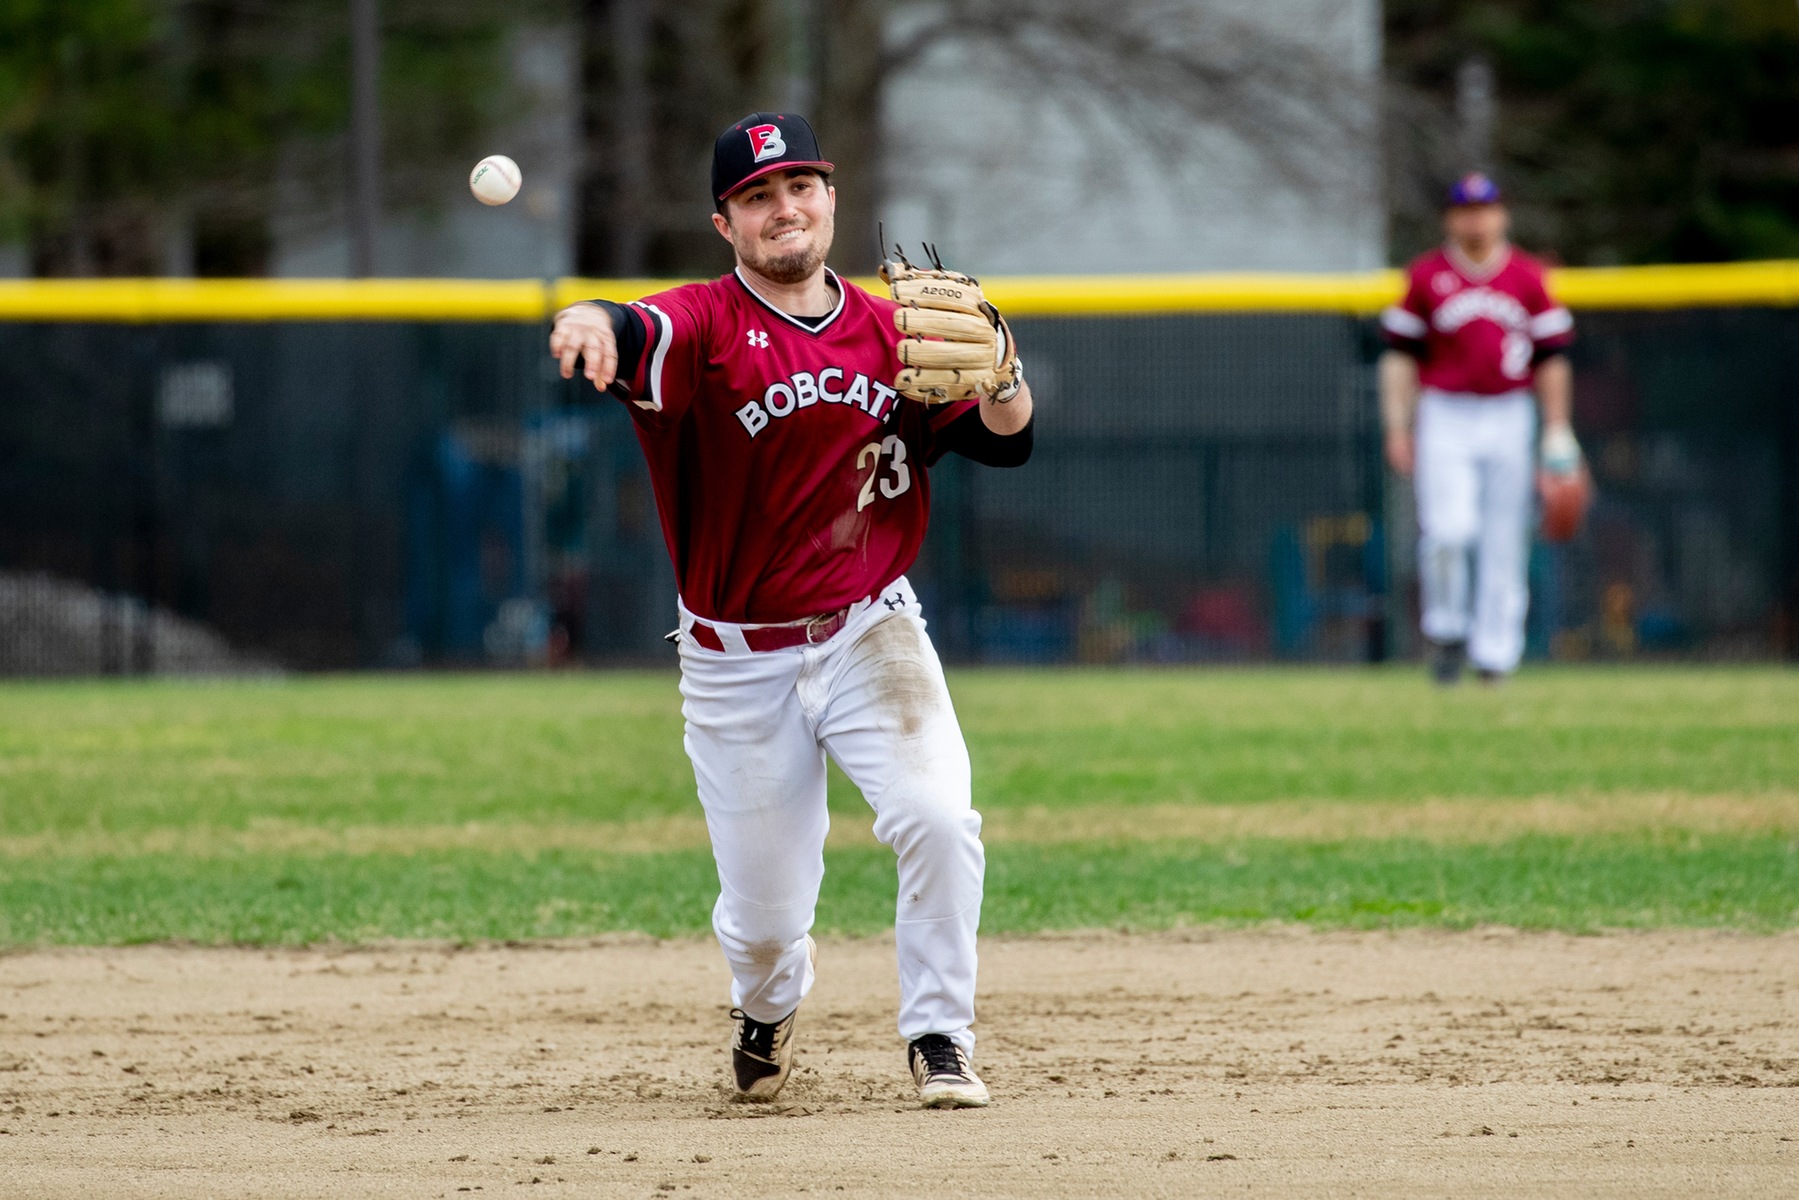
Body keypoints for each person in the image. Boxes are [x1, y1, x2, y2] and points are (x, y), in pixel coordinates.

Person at [547, 112, 1034, 1108]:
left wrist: (1005, 370)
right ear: (724, 223)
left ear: (830, 198)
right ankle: (766, 1007)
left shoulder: (893, 328)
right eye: (757, 196)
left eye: (799, 186)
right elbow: (636, 326)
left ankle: (940, 1035)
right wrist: (592, 319)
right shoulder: (704, 324)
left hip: (870, 628)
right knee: (766, 922)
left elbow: (1006, 441)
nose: (783, 208)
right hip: (735, 659)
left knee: (939, 817)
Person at [1379, 172, 1579, 685]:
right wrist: (1398, 425)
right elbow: (1399, 357)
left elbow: (1552, 358)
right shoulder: (1426, 276)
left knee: (1504, 540)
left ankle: (1495, 656)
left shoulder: (1527, 276)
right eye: (1466, 211)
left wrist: (1557, 427)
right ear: (1450, 219)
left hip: (1510, 411)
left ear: (1502, 215)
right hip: (1445, 412)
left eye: (1485, 209)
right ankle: (1447, 632)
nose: (1476, 220)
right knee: (1447, 531)